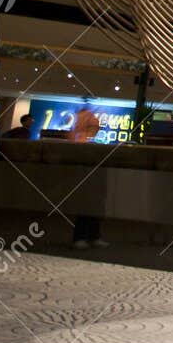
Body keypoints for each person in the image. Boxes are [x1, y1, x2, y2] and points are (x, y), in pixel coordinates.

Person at [68, 105, 109, 249]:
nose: (96, 129)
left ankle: (91, 236)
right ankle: (83, 237)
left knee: (93, 205)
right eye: (94, 127)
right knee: (87, 205)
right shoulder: (81, 141)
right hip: (85, 177)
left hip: (90, 177)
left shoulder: (82, 138)